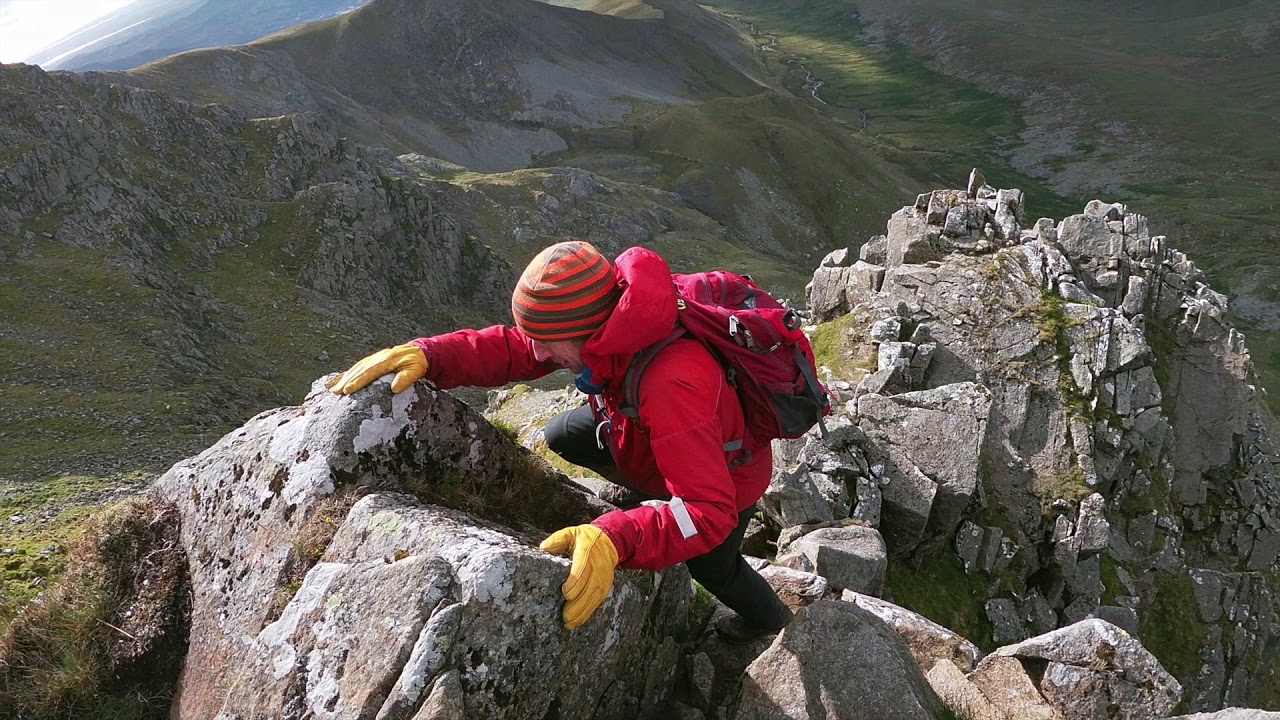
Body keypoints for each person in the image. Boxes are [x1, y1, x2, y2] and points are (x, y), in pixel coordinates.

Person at [326, 240, 793, 642]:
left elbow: (708, 511)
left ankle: (771, 621)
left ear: (590, 331)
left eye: (548, 341)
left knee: (713, 569)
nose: (539, 352)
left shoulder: (673, 381)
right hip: (646, 438)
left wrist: (618, 537)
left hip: (725, 480)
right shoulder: (608, 326)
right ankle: (652, 497)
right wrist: (430, 355)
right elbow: (516, 347)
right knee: (564, 434)